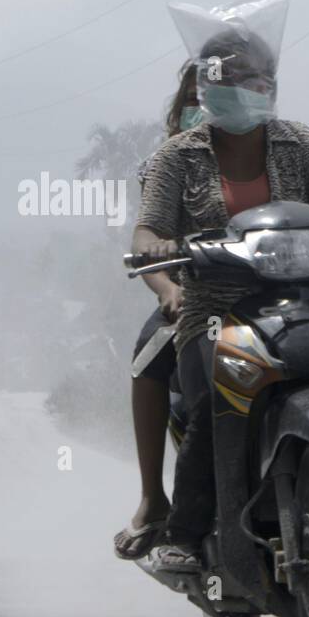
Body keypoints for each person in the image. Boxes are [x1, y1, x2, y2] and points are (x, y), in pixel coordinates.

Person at [131, 27, 309, 573]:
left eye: (258, 76)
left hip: (302, 298)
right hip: (212, 308)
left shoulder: (300, 142)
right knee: (216, 397)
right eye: (233, 78)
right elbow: (146, 234)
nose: (247, 86)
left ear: (273, 84)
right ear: (207, 88)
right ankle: (185, 535)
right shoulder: (177, 156)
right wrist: (158, 250)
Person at [112, 61, 205, 560]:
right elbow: (147, 241)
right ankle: (154, 498)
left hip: (272, 291)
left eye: (215, 94)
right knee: (148, 359)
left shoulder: (277, 153)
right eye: (194, 98)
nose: (204, 107)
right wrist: (169, 289)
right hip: (195, 294)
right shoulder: (168, 162)